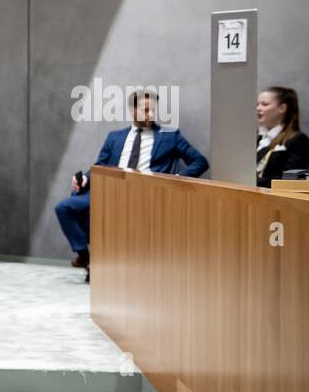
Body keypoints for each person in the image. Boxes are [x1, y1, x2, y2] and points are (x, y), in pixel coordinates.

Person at [55, 89, 209, 273]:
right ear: (132, 110)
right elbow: (100, 165)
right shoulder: (115, 137)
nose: (150, 114)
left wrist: (174, 180)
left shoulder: (170, 135)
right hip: (109, 189)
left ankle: (94, 263)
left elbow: (200, 161)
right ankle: (86, 257)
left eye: (153, 110)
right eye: (145, 110)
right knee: (64, 207)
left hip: (143, 192)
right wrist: (86, 178)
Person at [256, 86, 309, 188]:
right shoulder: (258, 138)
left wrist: (252, 182)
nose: (258, 108)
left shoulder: (298, 140)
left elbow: (288, 179)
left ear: (282, 108)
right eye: (257, 104)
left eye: (264, 104)